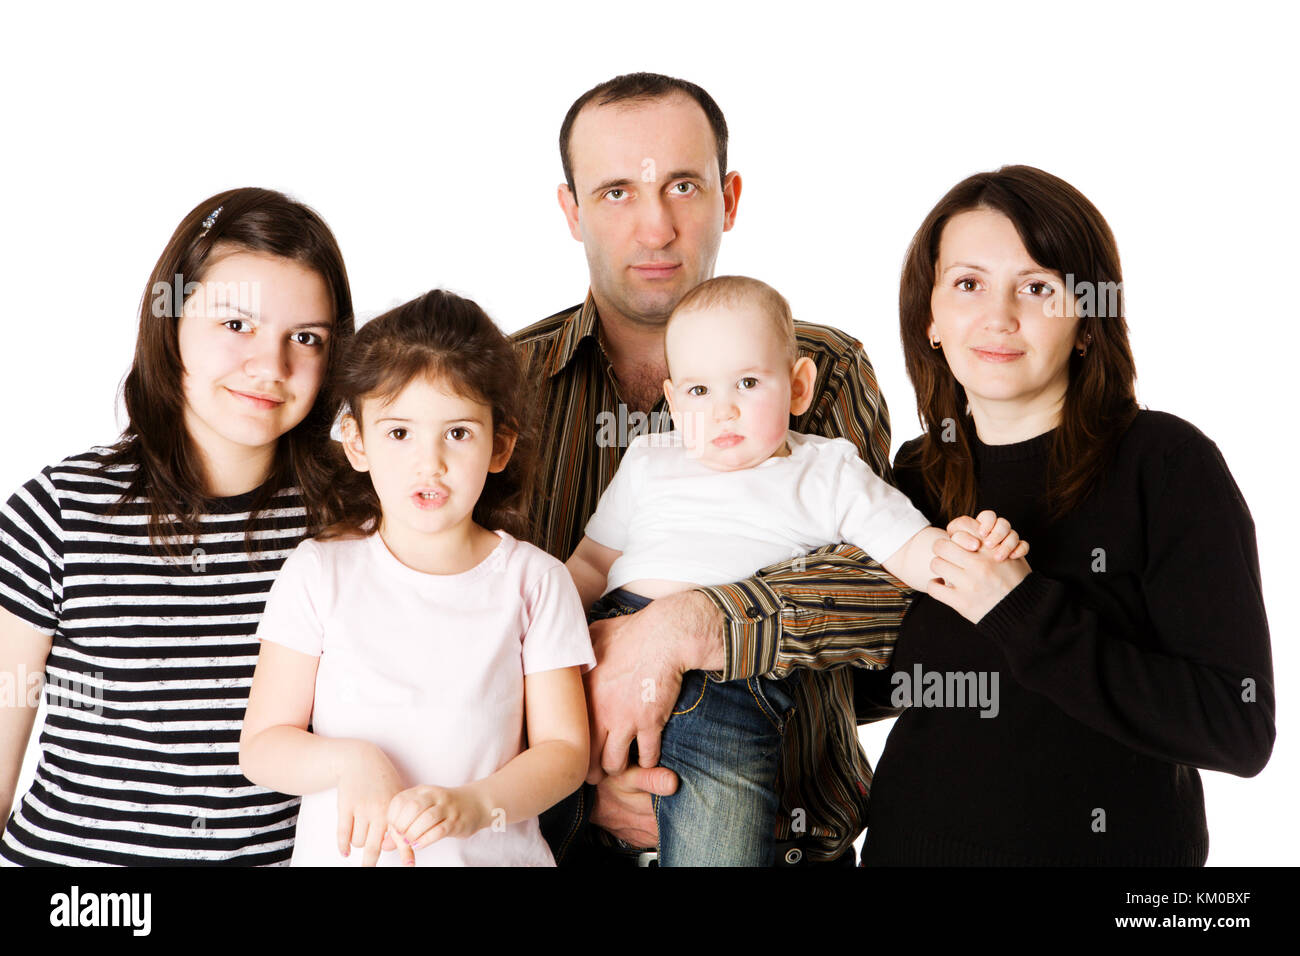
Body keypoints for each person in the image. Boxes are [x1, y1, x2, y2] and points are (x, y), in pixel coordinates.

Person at [516, 71, 917, 866]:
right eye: (617, 192)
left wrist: (690, 625)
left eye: (684, 187)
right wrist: (578, 774)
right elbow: (462, 613)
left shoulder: (822, 369)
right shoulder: (503, 383)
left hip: (785, 834)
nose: (656, 228)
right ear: (571, 211)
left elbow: (884, 598)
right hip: (556, 837)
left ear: (729, 197)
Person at [858, 165, 1275, 865]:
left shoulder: (1166, 464)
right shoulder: (910, 475)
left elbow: (1237, 728)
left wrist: (1019, 606)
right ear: (930, 318)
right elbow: (866, 688)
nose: (998, 316)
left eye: (1037, 287)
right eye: (968, 284)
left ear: (1087, 319)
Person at [565, 275, 1027, 865]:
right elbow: (591, 562)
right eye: (700, 391)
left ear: (799, 387)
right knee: (503, 763)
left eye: (749, 383)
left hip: (731, 680)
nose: (724, 408)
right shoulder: (650, 458)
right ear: (675, 401)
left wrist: (964, 546)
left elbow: (904, 552)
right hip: (608, 643)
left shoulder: (827, 471)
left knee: (720, 843)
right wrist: (542, 645)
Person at [0, 187, 355, 864]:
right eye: (236, 325)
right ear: (172, 321)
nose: (271, 368)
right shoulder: (59, 512)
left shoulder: (353, 522)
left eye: (304, 338)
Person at [239, 289, 593, 867]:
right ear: (357, 443)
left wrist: (478, 804)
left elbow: (564, 751)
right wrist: (351, 761)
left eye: (458, 433)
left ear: (499, 445)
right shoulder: (319, 572)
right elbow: (262, 746)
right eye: (399, 433)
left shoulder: (535, 581)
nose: (430, 463)